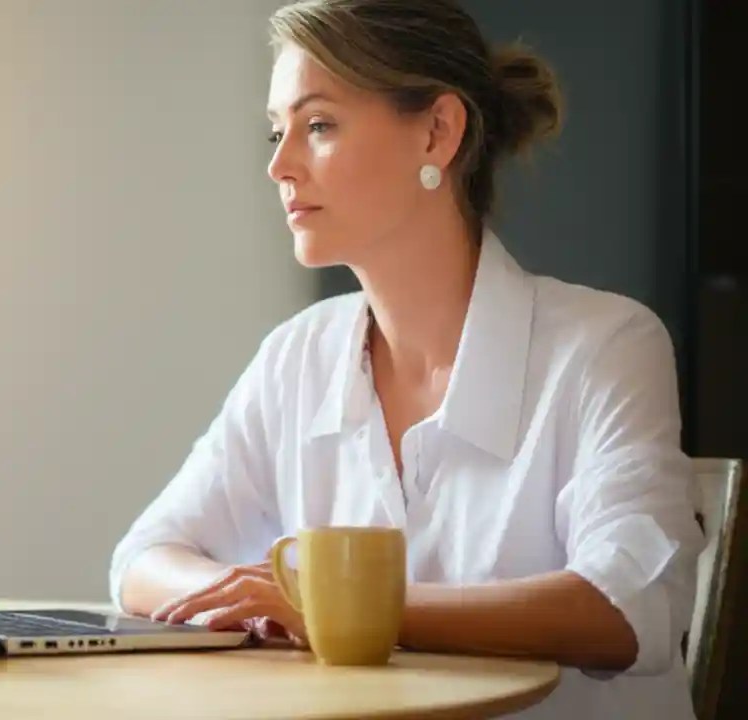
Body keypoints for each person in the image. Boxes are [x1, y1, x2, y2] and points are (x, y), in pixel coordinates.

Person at [108, 1, 702, 717]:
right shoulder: (296, 357)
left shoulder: (606, 346)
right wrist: (252, 602)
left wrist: (332, 608)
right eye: (276, 130)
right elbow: (141, 560)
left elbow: (624, 609)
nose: (278, 164)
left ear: (437, 131)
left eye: (318, 125)